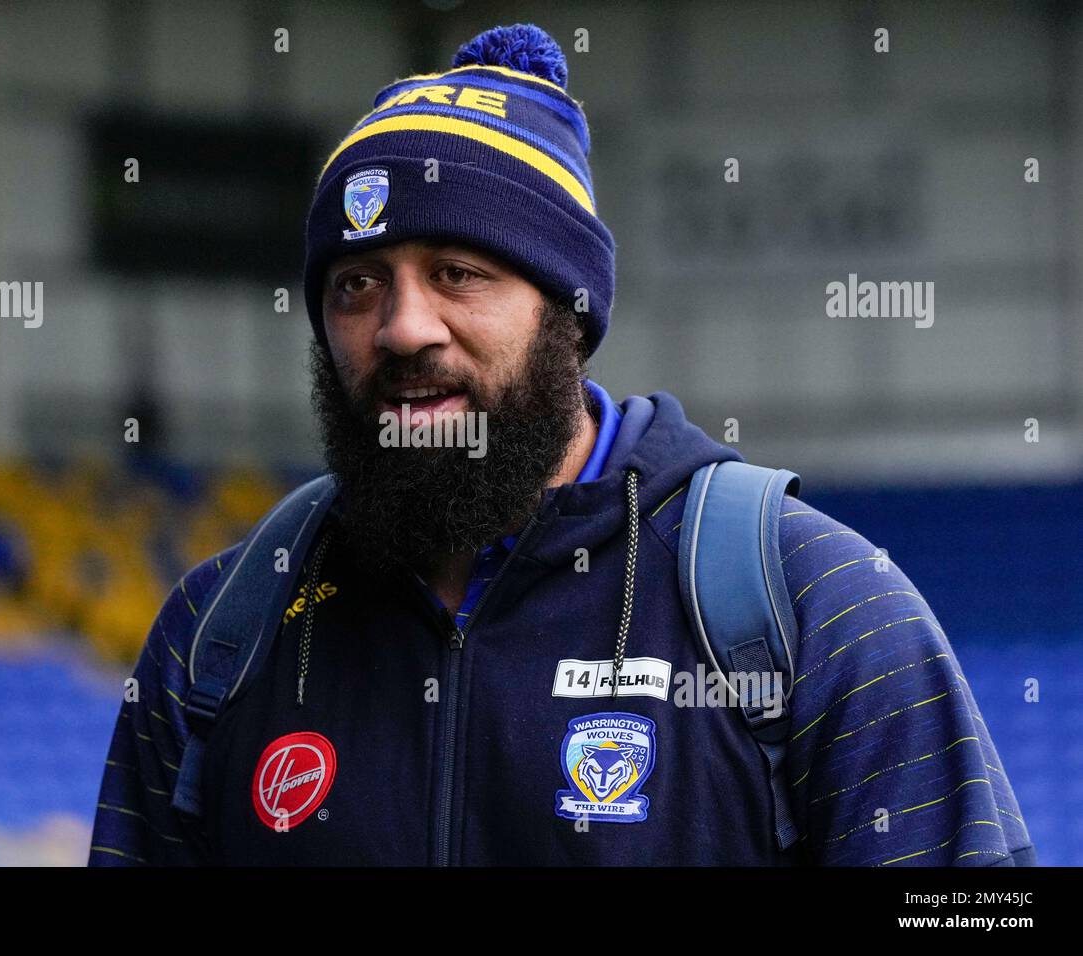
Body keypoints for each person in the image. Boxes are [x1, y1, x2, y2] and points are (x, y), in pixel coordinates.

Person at [89, 23, 1034, 866]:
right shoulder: (221, 633)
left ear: (568, 317)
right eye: (357, 285)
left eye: (458, 273)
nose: (401, 328)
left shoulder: (816, 606)